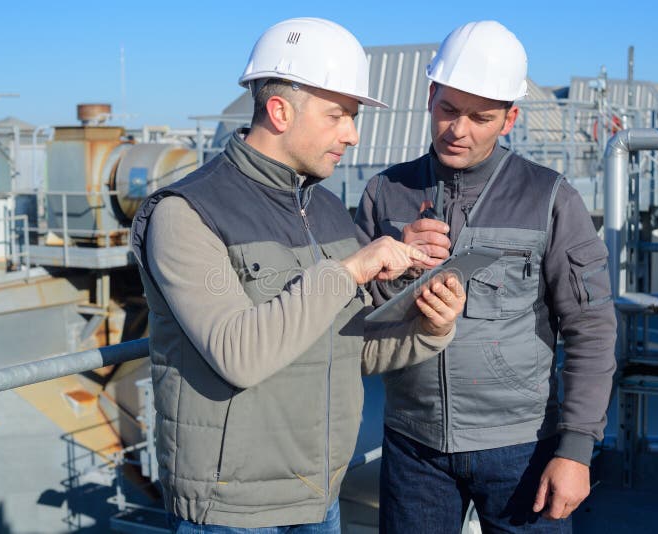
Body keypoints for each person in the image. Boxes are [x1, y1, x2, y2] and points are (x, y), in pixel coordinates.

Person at [129, 17, 466, 533]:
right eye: (339, 116)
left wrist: (430, 328)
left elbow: (357, 347)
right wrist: (351, 269)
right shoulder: (187, 214)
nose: (352, 135)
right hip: (233, 513)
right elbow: (239, 354)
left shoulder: (328, 210)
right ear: (280, 111)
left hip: (318, 499)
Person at [355, 20, 617, 533]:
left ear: (510, 118)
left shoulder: (550, 196)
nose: (459, 130)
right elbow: (354, 314)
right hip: (413, 445)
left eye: (481, 117)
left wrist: (577, 450)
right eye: (449, 109)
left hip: (521, 450)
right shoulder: (385, 193)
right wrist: (394, 259)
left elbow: (592, 327)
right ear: (431, 95)